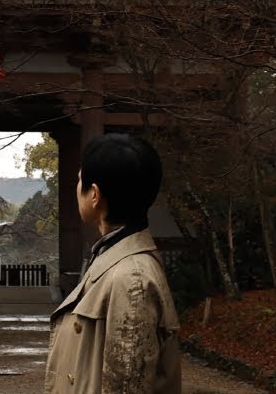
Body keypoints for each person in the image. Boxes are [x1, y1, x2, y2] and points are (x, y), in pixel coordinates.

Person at [45, 133, 181, 393]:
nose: (77, 189)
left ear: (94, 194)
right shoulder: (114, 259)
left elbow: (129, 384)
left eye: (79, 181)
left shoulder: (131, 278)